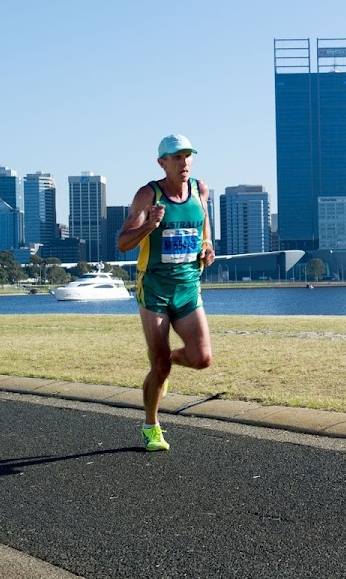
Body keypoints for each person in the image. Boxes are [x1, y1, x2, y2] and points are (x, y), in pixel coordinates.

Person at [117, 133, 215, 451]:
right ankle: (151, 426)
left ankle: (163, 363)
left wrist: (207, 246)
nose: (184, 162)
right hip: (155, 288)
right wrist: (149, 225)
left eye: (187, 156)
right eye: (176, 157)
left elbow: (203, 225)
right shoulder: (149, 194)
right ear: (162, 162)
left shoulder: (200, 190)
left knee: (202, 359)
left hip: (188, 287)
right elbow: (122, 243)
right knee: (159, 366)